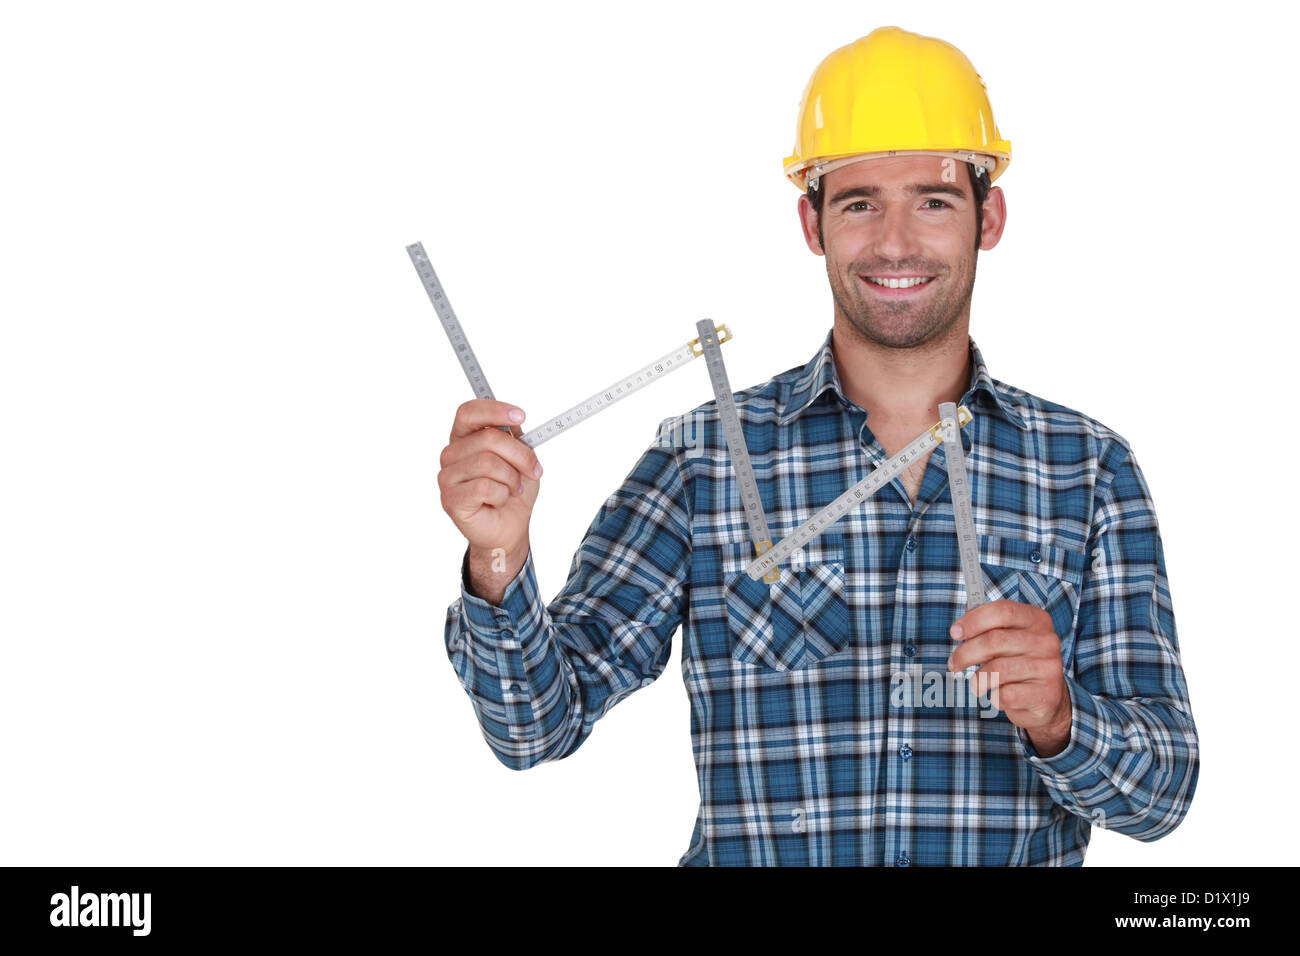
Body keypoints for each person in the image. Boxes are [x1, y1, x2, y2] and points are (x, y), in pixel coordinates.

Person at [437, 26, 1198, 866]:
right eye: (860, 201)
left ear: (991, 217)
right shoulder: (706, 460)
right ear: (813, 221)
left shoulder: (1087, 471)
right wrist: (498, 558)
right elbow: (535, 725)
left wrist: (1061, 718)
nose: (896, 241)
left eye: (934, 200)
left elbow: (1162, 795)